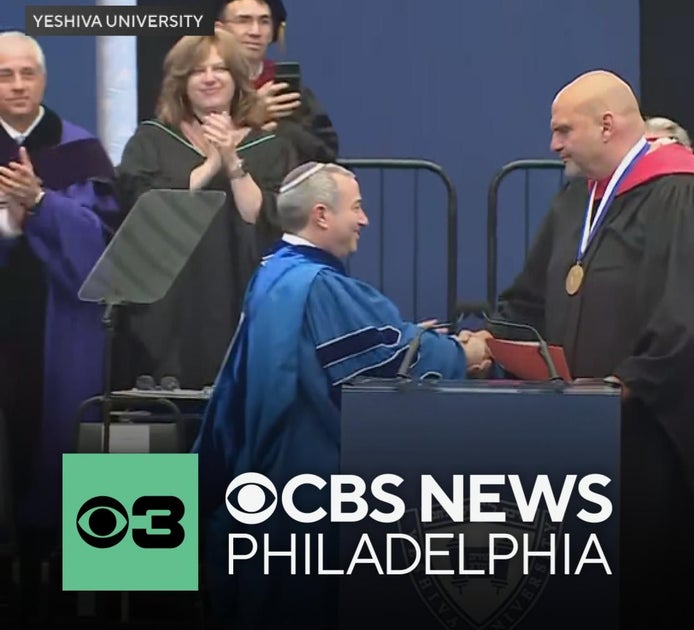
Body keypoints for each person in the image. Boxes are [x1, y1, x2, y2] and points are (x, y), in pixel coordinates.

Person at [494, 69, 694, 626]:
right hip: (579, 441)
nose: (553, 144)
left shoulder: (688, 196)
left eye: (563, 130)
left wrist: (629, 383)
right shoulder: (575, 204)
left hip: (656, 446)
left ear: (607, 124)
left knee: (653, 595)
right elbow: (528, 300)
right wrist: (491, 341)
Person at [192, 162, 491, 630]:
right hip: (309, 474)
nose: (365, 219)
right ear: (321, 215)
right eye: (356, 207)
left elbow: (356, 341)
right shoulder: (319, 285)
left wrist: (409, 334)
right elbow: (383, 361)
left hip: (270, 469)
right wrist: (460, 352)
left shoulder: (273, 271)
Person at [0, 30, 122, 603]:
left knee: (56, 432)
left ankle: (74, 571)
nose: (18, 85)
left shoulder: (78, 149)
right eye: (5, 75)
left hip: (58, 320)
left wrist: (42, 203)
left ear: (44, 79)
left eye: (28, 73)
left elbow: (98, 241)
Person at [115, 30, 296, 390]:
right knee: (158, 427)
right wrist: (210, 164)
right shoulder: (151, 140)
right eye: (198, 71)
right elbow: (146, 207)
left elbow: (265, 217)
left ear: (237, 79)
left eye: (220, 69)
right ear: (181, 82)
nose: (210, 78)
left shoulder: (271, 147)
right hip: (168, 304)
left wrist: (232, 162)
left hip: (238, 291)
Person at [214, 0, 339, 162]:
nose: (255, 31)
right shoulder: (203, 84)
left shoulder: (287, 91)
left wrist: (278, 131)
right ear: (219, 29)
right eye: (243, 20)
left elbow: (326, 153)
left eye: (264, 21)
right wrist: (247, 119)